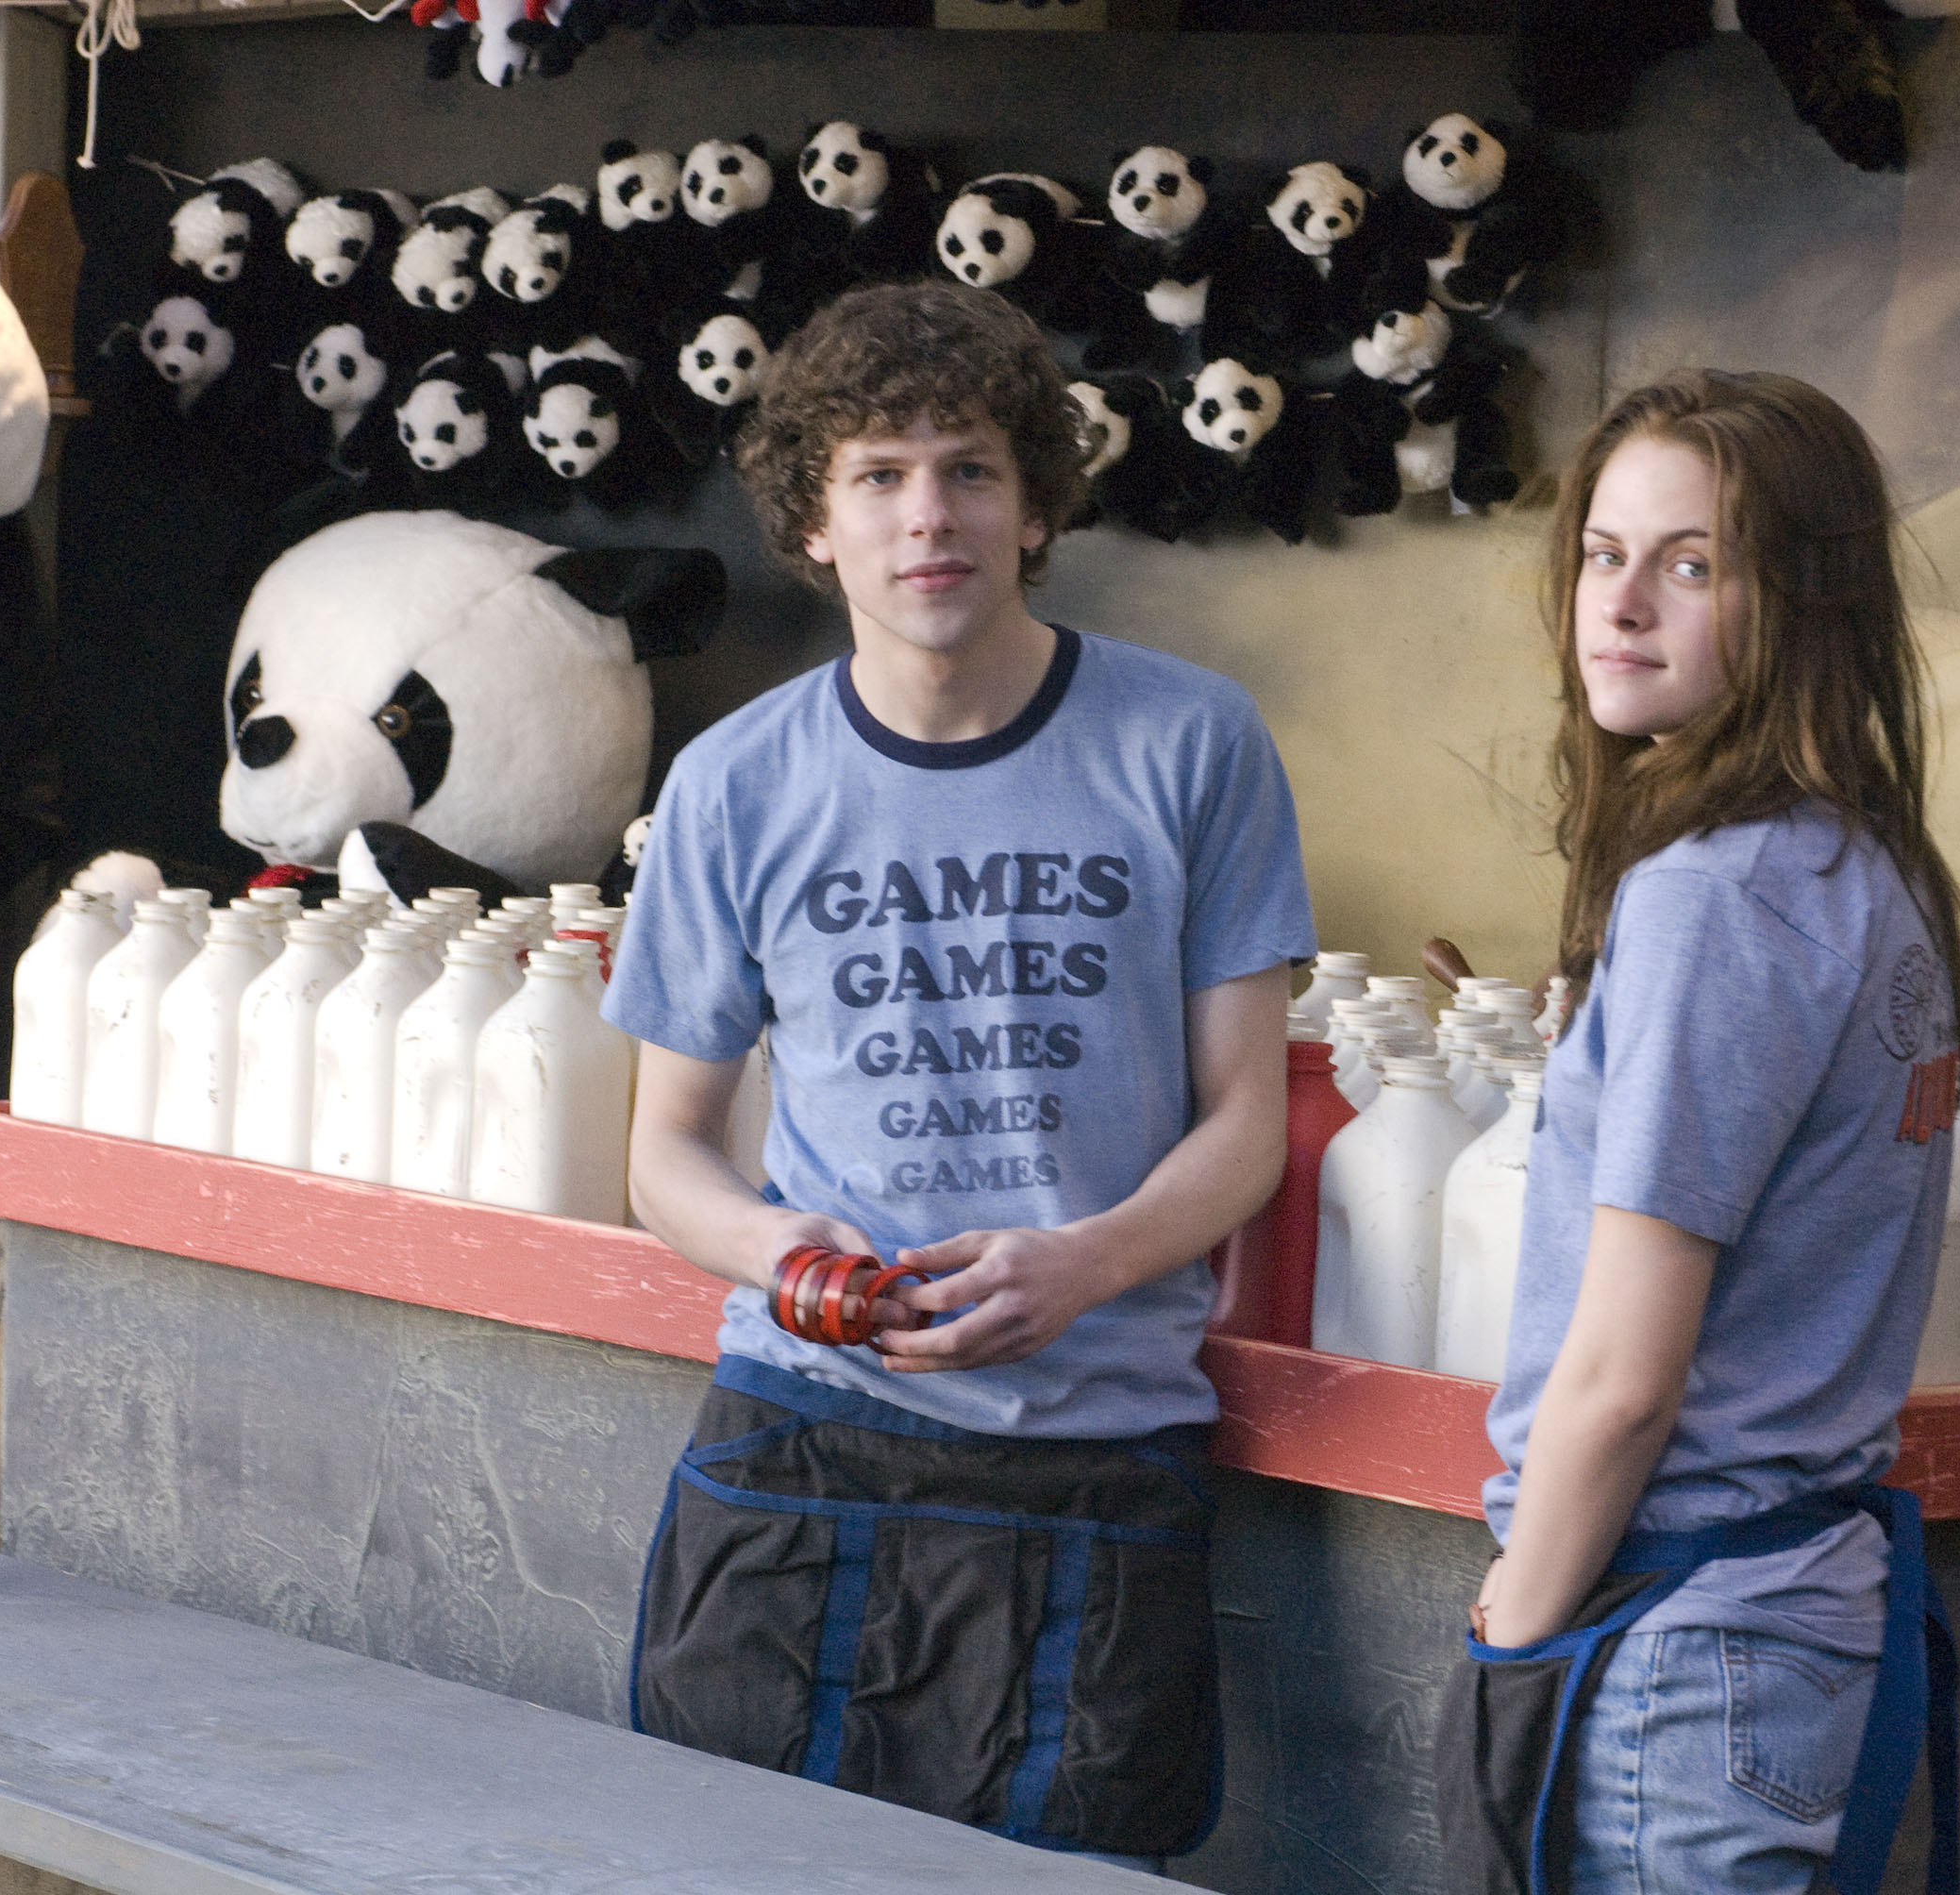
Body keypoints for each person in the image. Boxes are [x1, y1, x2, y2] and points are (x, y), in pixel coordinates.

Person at [604, 279, 1315, 1867]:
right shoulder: (732, 786)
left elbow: (1247, 1123)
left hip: (1096, 1454)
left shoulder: (1191, 743)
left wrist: (1089, 1261)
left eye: (971, 467)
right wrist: (785, 1259)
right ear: (813, 524)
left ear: (1037, 505)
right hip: (802, 1442)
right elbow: (664, 1157)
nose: (930, 515)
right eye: (879, 475)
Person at [1436, 370, 1960, 1895]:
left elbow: (1622, 1381)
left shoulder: (1717, 896)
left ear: (1800, 596)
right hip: (1796, 1610)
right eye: (1605, 554)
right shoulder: (1864, 864)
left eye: (1693, 562)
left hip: (1678, 1643)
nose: (1624, 603)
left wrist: (1511, 1640)